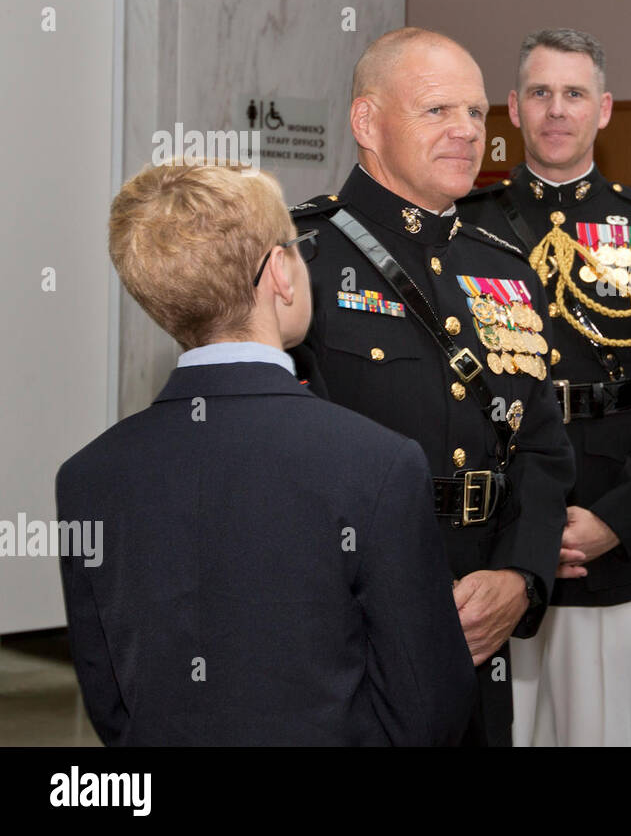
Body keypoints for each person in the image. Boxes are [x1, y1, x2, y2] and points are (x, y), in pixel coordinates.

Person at [56, 163, 476, 746]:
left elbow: (108, 697)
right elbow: (429, 703)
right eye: (300, 249)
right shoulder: (377, 464)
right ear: (279, 272)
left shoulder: (87, 477)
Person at [289, 27, 574, 747]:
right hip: (347, 625)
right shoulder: (298, 260)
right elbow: (275, 461)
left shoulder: (505, 269)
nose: (468, 131)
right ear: (367, 122)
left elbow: (543, 446)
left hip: (481, 622)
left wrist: (521, 576)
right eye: (438, 110)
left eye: (476, 112)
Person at [458, 28, 631, 746]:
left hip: (610, 536)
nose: (557, 109)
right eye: (540, 93)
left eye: (575, 93)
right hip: (493, 537)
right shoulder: (464, 229)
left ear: (604, 109)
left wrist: (617, 519)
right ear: (513, 108)